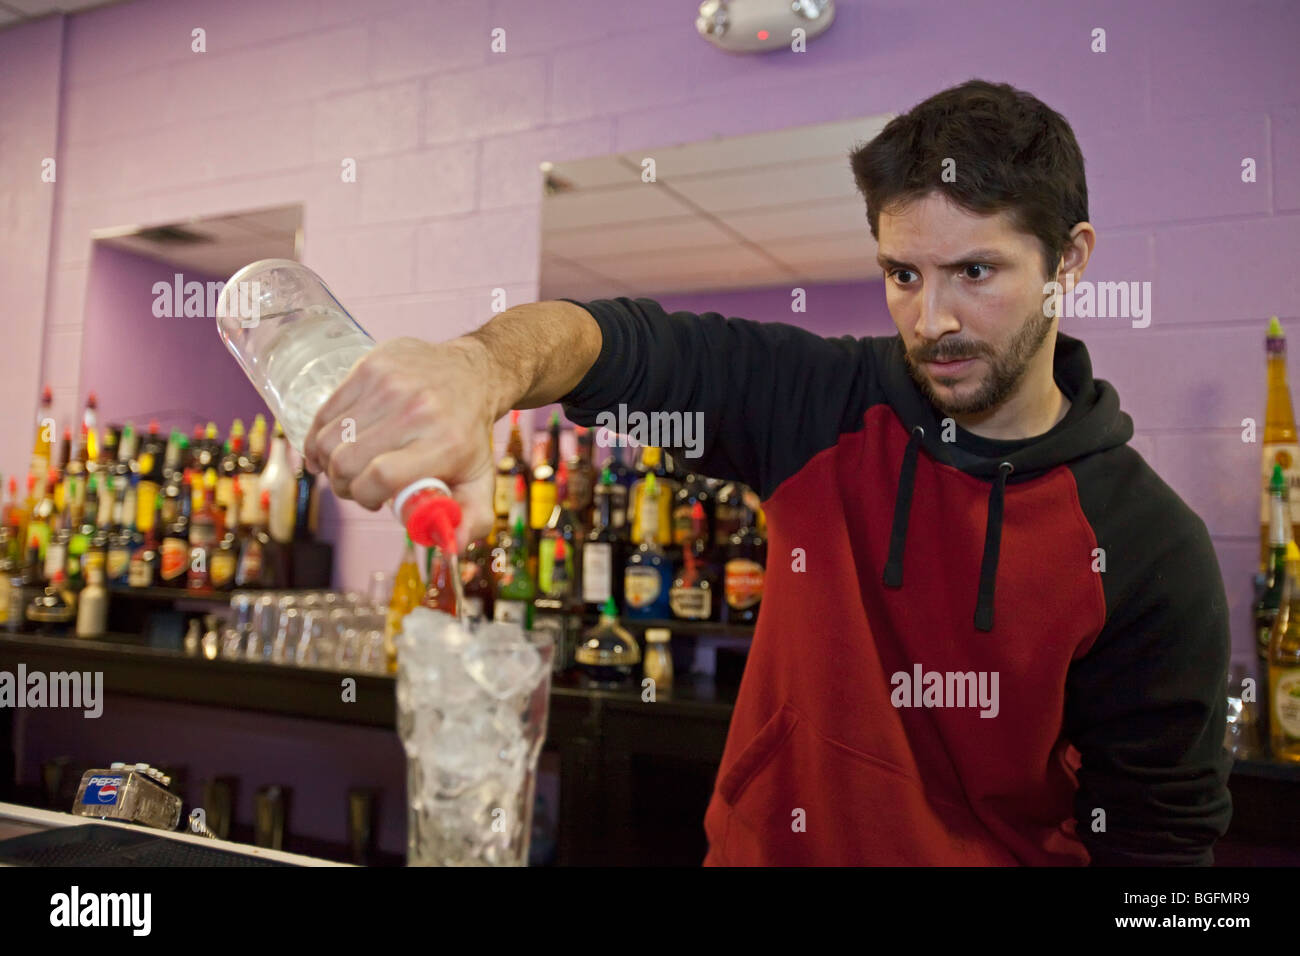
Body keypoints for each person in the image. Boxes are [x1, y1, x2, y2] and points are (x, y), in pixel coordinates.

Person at [303, 79, 1232, 865]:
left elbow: (1160, 857)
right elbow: (614, 345)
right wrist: (480, 370)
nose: (932, 319)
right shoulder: (818, 402)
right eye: (902, 274)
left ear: (1069, 260)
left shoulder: (1149, 549)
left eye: (976, 272)